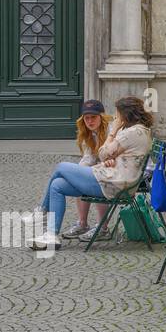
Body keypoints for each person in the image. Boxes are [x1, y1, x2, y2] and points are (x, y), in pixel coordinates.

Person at [26, 96, 155, 250]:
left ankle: (42, 210)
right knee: (57, 185)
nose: (116, 117)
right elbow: (109, 156)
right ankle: (51, 235)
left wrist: (113, 131)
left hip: (115, 183)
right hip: (113, 178)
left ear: (125, 114)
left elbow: (103, 154)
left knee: (61, 167)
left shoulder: (131, 132)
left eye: (118, 114)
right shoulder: (136, 131)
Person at [58, 100, 113, 241]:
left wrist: (82, 171)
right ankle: (82, 224)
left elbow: (112, 158)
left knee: (95, 181)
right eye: (87, 118)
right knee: (79, 180)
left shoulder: (111, 132)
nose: (90, 121)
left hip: (115, 172)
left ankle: (103, 228)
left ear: (102, 116)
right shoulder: (88, 133)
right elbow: (89, 157)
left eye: (93, 117)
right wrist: (78, 172)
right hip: (102, 169)